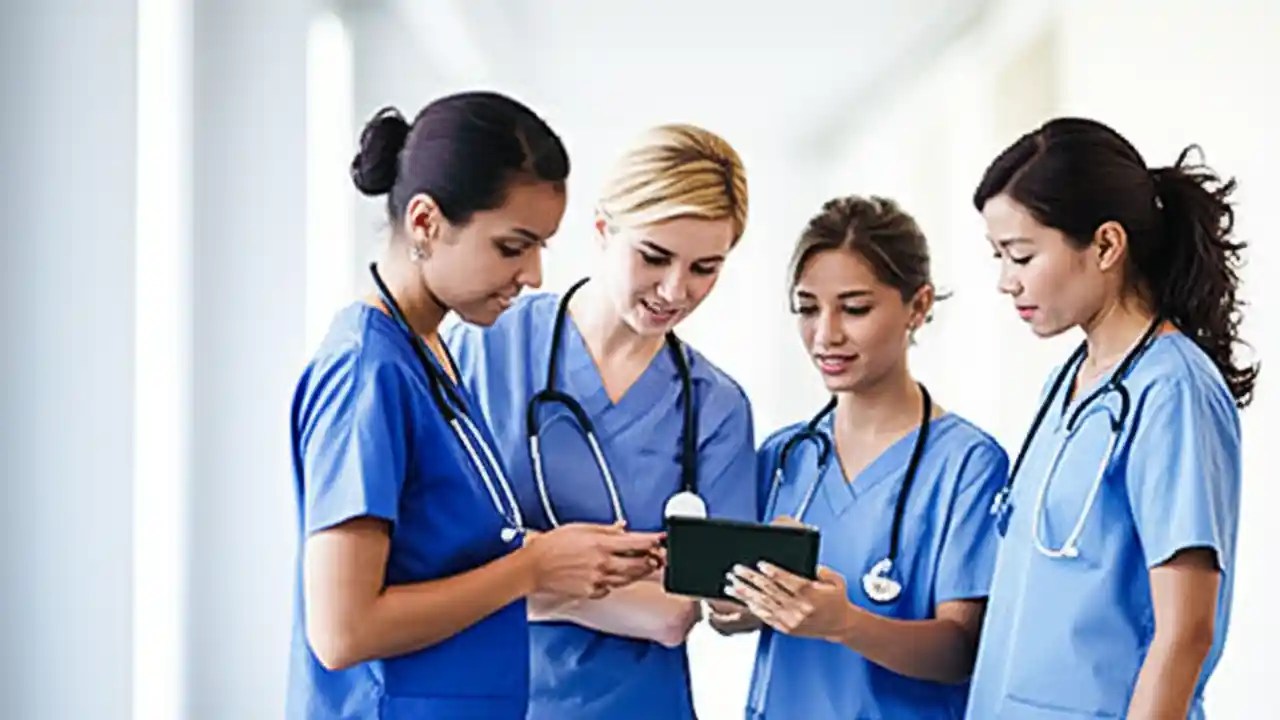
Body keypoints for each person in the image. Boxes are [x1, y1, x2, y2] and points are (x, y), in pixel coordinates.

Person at [286, 92, 665, 720]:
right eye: (513, 246)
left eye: (542, 246)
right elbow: (342, 630)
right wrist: (532, 568)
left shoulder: (430, 354)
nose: (536, 274)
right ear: (427, 223)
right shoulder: (365, 372)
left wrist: (562, 556)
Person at [445, 123, 757, 720]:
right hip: (485, 695)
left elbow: (676, 615)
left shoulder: (715, 407)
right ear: (602, 229)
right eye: (655, 256)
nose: (675, 290)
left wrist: (520, 575)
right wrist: (591, 586)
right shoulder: (484, 349)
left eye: (705, 267)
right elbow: (432, 553)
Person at [965, 117, 1253, 719]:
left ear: (1105, 245)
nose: (1004, 281)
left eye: (1020, 255)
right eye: (998, 256)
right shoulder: (1069, 383)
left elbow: (1187, 631)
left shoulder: (1172, 390)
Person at [709, 195, 1010, 718]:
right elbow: (731, 616)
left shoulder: (967, 464)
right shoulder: (784, 457)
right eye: (807, 308)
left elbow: (963, 650)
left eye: (855, 308)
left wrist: (844, 622)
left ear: (918, 305)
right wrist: (735, 603)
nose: (826, 334)